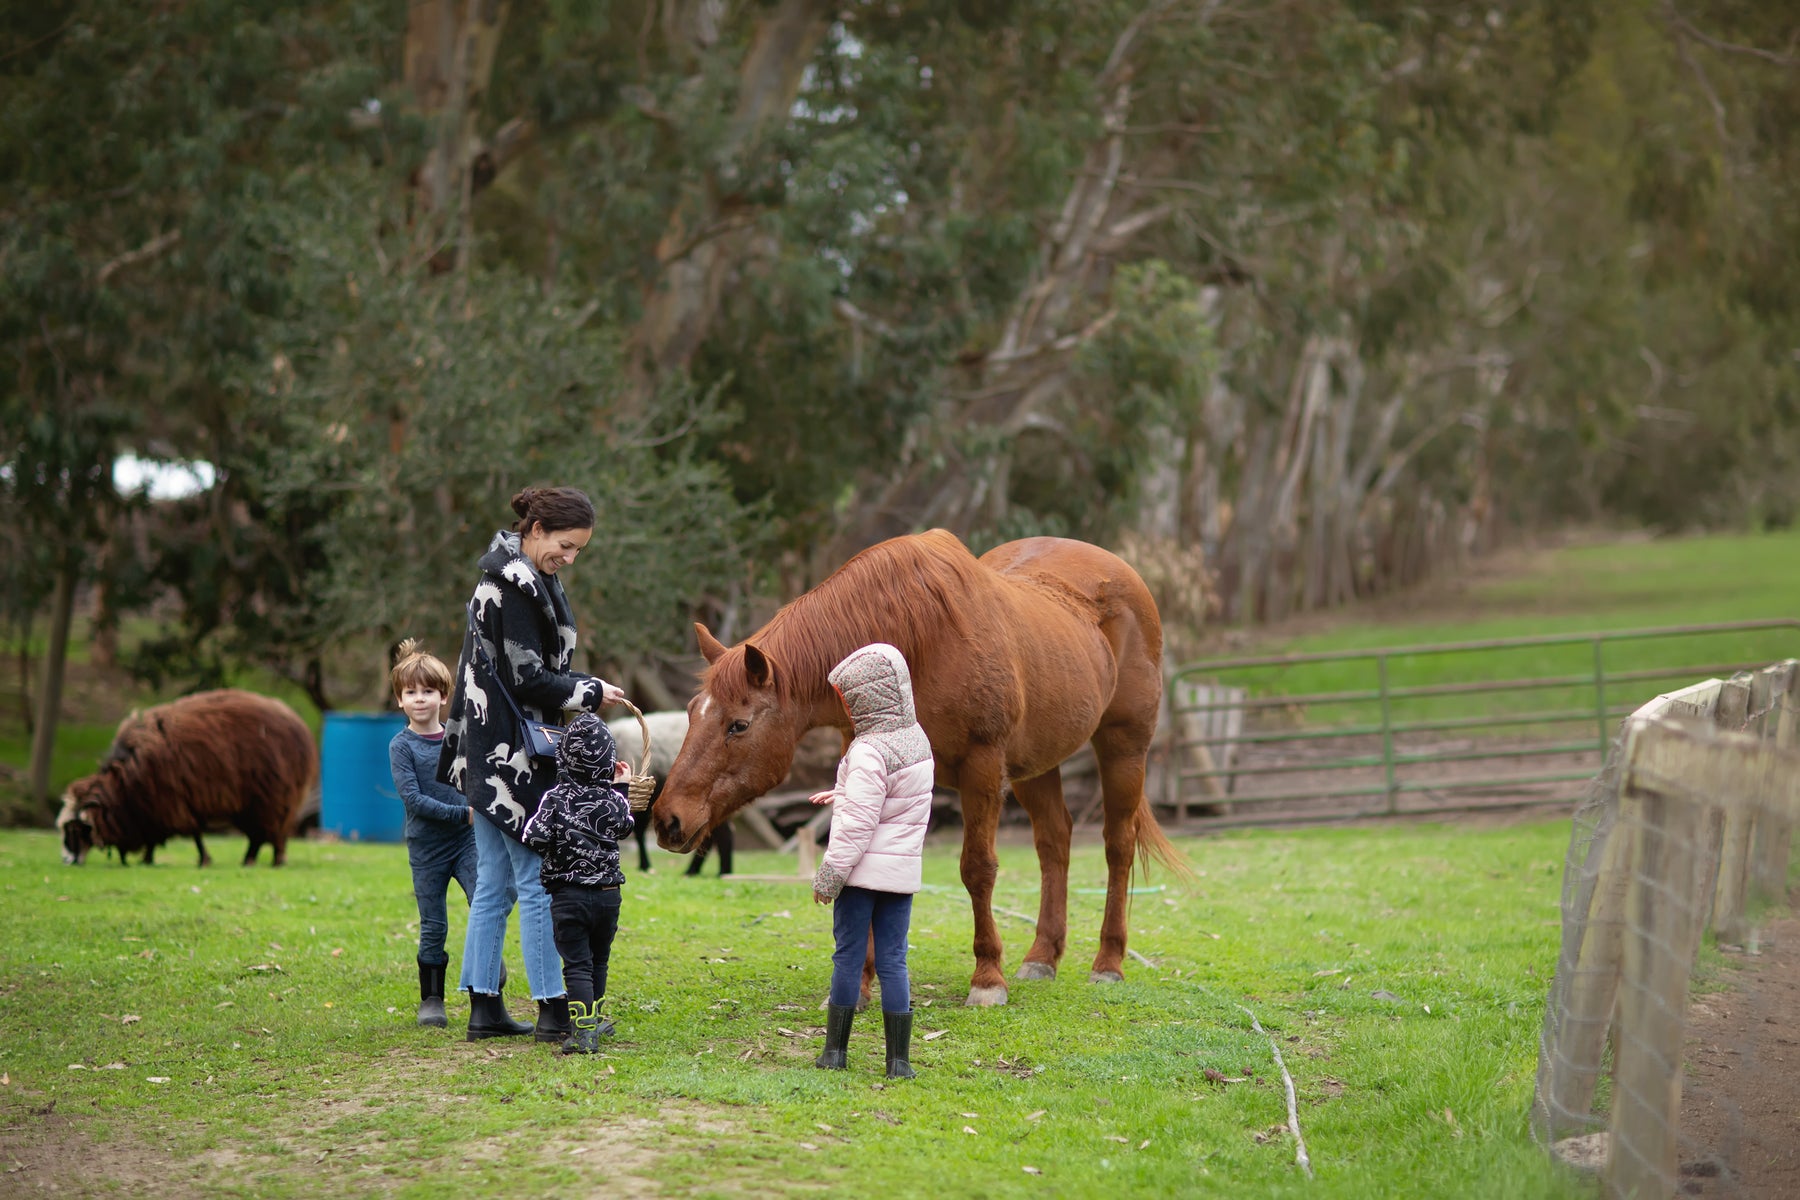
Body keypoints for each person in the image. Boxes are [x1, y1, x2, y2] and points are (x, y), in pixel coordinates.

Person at [437, 486, 626, 1043]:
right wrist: (588, 692)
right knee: (539, 881)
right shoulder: (514, 586)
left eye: (579, 551)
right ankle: (553, 1009)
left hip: (484, 750)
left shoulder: (505, 575)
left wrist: (584, 686)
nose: (570, 558)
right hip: (512, 755)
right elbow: (527, 678)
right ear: (536, 529)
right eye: (565, 546)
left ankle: (484, 1007)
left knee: (494, 886)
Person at [809, 642, 933, 1078]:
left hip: (860, 877)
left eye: (848, 698)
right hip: (899, 876)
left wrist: (830, 875)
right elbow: (894, 800)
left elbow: (859, 825)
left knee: (847, 958)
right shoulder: (916, 740)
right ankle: (899, 1062)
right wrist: (844, 792)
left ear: (864, 699)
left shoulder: (868, 749)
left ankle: (835, 1053)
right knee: (894, 961)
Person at [520, 712, 634, 1054]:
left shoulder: (555, 798)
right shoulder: (614, 800)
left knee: (577, 965)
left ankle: (583, 1033)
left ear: (563, 758)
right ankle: (593, 1020)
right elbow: (625, 825)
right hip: (609, 895)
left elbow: (533, 837)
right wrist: (621, 788)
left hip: (569, 896)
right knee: (599, 960)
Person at [387, 638, 478, 1028]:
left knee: (485, 903)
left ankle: (485, 969)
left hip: (467, 843)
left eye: (428, 691)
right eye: (411, 692)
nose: (420, 699)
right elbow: (414, 799)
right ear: (400, 700)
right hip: (427, 849)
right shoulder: (401, 746)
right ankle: (432, 999)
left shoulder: (460, 738)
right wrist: (464, 814)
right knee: (434, 923)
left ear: (444, 696)